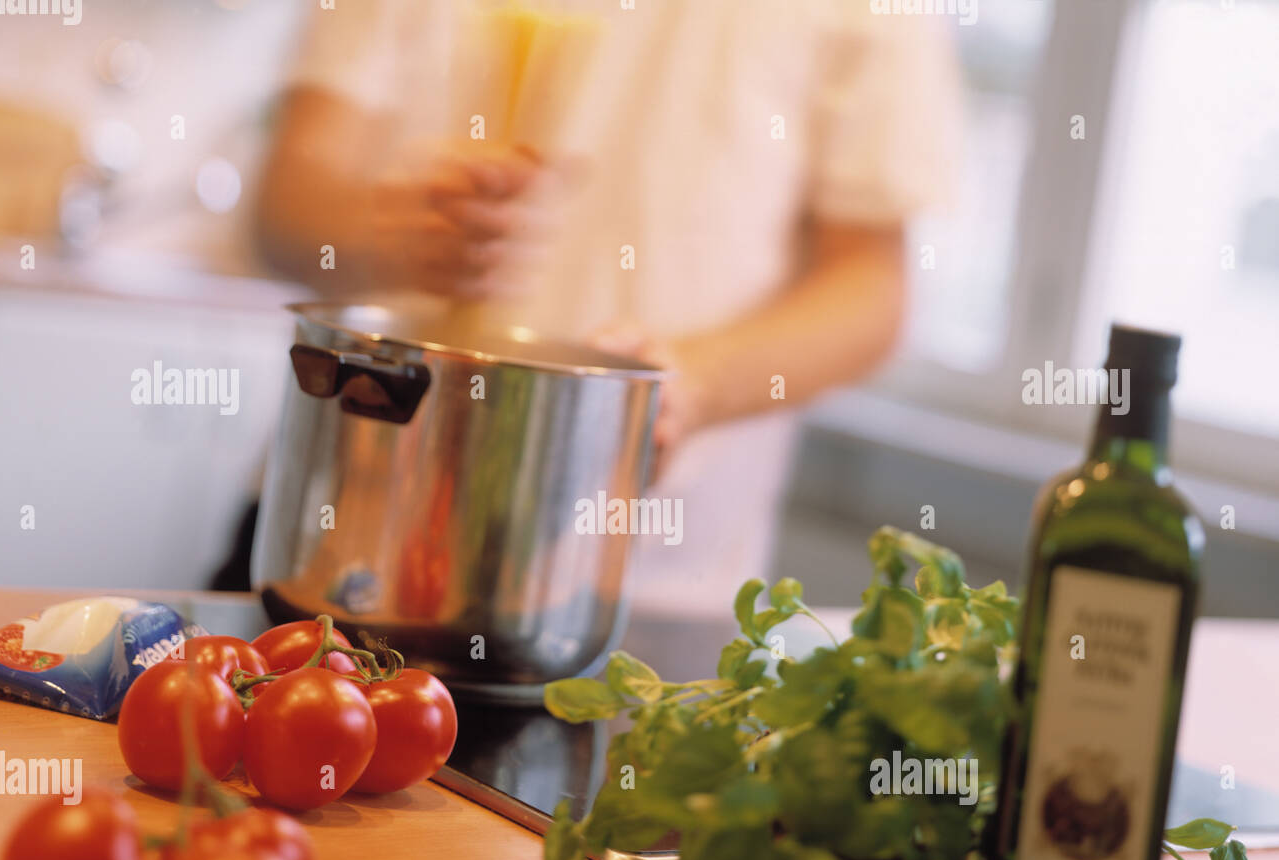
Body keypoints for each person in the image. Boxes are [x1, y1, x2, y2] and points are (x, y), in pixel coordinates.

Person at [255, 0, 961, 612]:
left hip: (648, 593)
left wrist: (689, 383)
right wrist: (388, 230)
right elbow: (284, 209)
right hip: (342, 549)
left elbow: (873, 288)